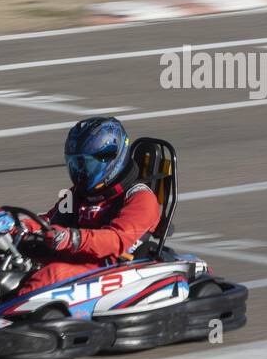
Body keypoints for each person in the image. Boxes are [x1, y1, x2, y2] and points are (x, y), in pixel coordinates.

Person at [17, 116, 161, 292]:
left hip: (110, 268)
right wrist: (18, 224)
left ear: (109, 158)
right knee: (12, 259)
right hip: (78, 260)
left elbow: (115, 241)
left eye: (85, 163)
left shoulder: (141, 198)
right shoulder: (78, 194)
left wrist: (73, 238)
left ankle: (6, 317)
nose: (80, 171)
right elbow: (49, 221)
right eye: (75, 163)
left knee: (50, 276)